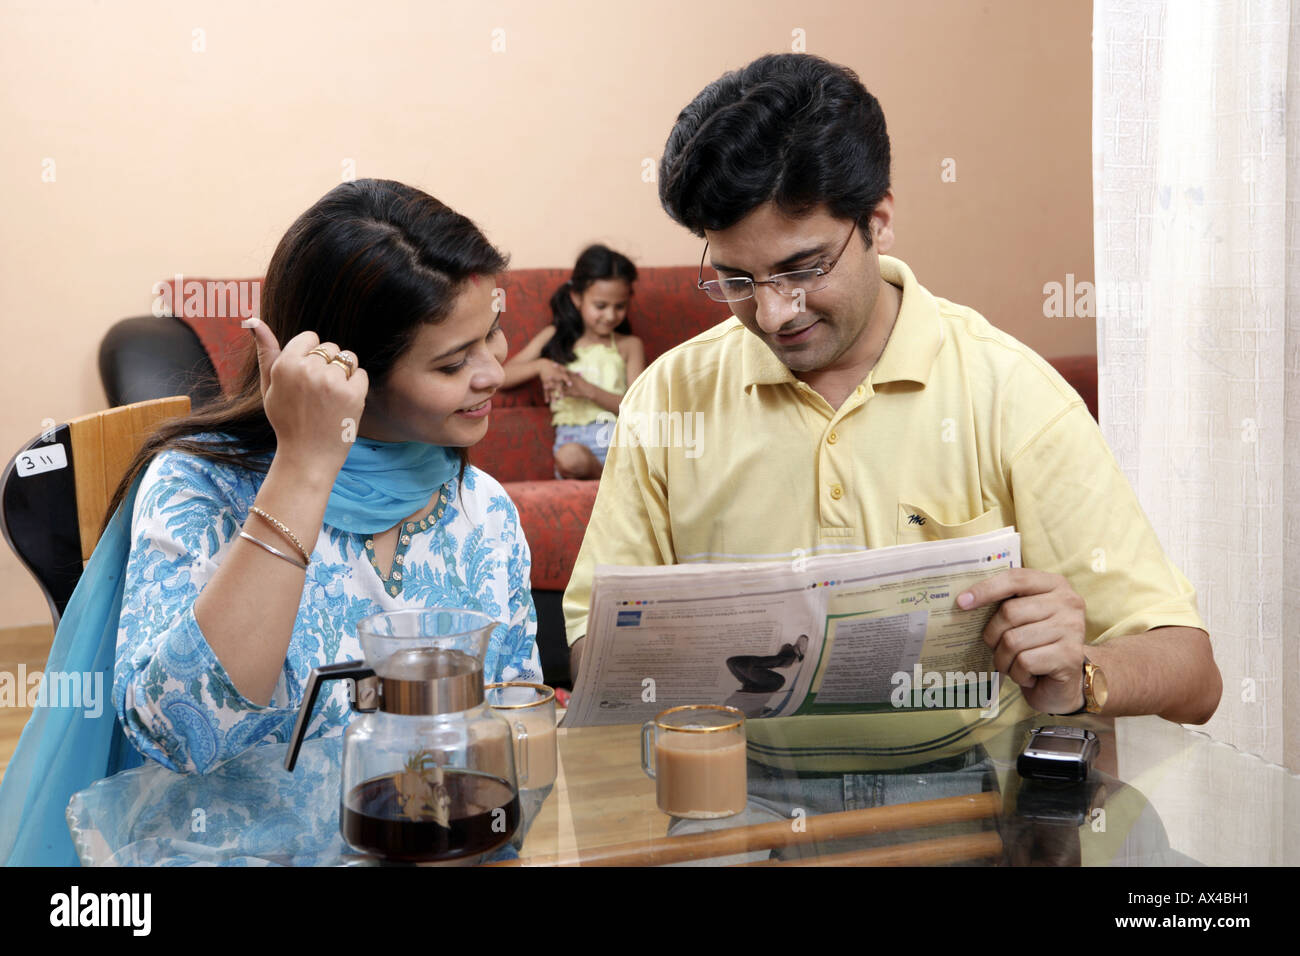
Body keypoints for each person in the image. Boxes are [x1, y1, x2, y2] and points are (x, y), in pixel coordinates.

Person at [562, 54, 1221, 841]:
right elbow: (588, 644)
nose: (774, 314)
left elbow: (1193, 674)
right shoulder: (668, 401)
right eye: (736, 279)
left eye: (802, 268)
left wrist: (1083, 671)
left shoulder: (1008, 390)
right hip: (738, 791)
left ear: (878, 219)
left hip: (978, 790)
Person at [0, 179, 541, 865]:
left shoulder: (482, 508)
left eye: (492, 331)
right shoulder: (199, 488)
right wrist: (306, 466)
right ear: (347, 369)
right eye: (453, 361)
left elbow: (508, 737)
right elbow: (182, 735)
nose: (495, 370)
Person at [502, 244, 645, 478]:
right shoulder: (555, 337)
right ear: (577, 297)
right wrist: (541, 366)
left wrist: (588, 390)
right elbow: (502, 377)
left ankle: (615, 479)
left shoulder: (629, 345)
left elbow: (639, 410)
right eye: (601, 306)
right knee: (571, 459)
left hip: (616, 441)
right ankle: (611, 481)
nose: (610, 315)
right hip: (573, 445)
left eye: (620, 306)